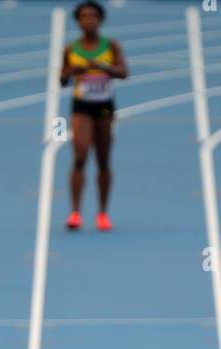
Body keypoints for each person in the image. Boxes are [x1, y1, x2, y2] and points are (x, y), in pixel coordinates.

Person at [60, 1, 127, 232]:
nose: (89, 20)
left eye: (94, 16)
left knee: (103, 159)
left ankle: (102, 213)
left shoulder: (112, 46)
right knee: (80, 154)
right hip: (82, 105)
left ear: (100, 20)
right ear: (78, 21)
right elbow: (61, 79)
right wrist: (73, 71)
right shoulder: (71, 49)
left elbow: (124, 72)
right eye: (85, 16)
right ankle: (75, 212)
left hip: (105, 106)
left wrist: (105, 68)